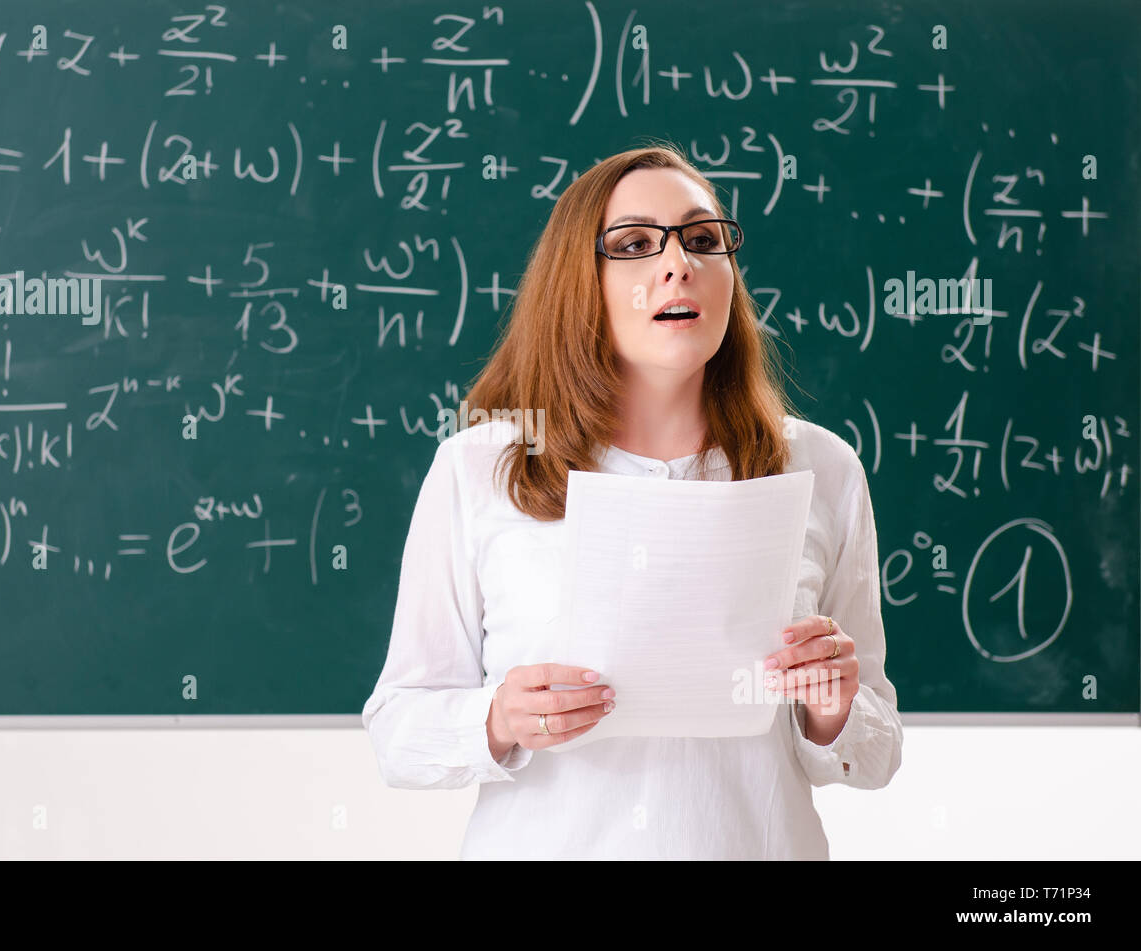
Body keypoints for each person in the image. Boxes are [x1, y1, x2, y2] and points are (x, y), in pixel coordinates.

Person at [361, 142, 903, 860]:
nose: (677, 263)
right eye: (636, 244)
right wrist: (498, 718)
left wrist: (832, 708)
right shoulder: (480, 468)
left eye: (703, 238)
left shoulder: (822, 467)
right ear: (579, 282)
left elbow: (878, 748)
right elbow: (398, 729)